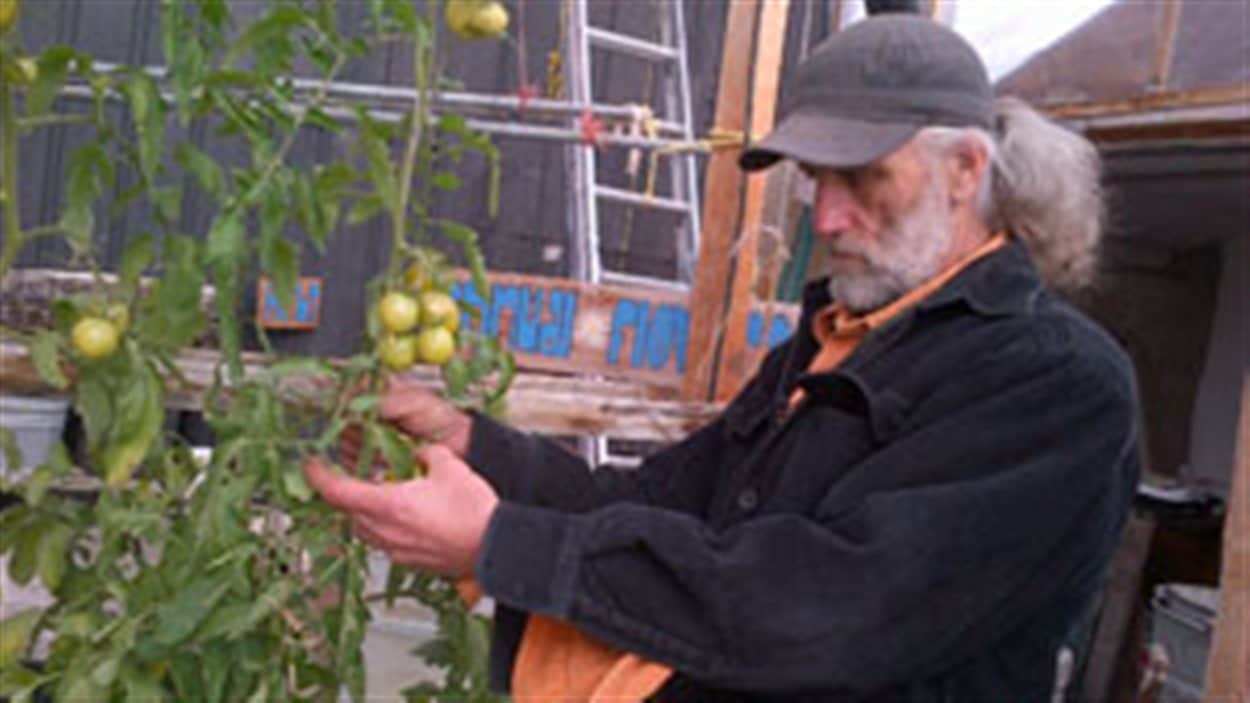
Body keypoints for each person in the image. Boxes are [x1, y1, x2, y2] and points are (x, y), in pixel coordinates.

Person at [305, 14, 1141, 703]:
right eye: (817, 178)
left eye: (863, 177)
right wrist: (475, 446)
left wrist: (501, 542)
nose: (827, 217)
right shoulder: (838, 340)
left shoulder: (1056, 384)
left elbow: (825, 610)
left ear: (965, 170)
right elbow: (659, 503)